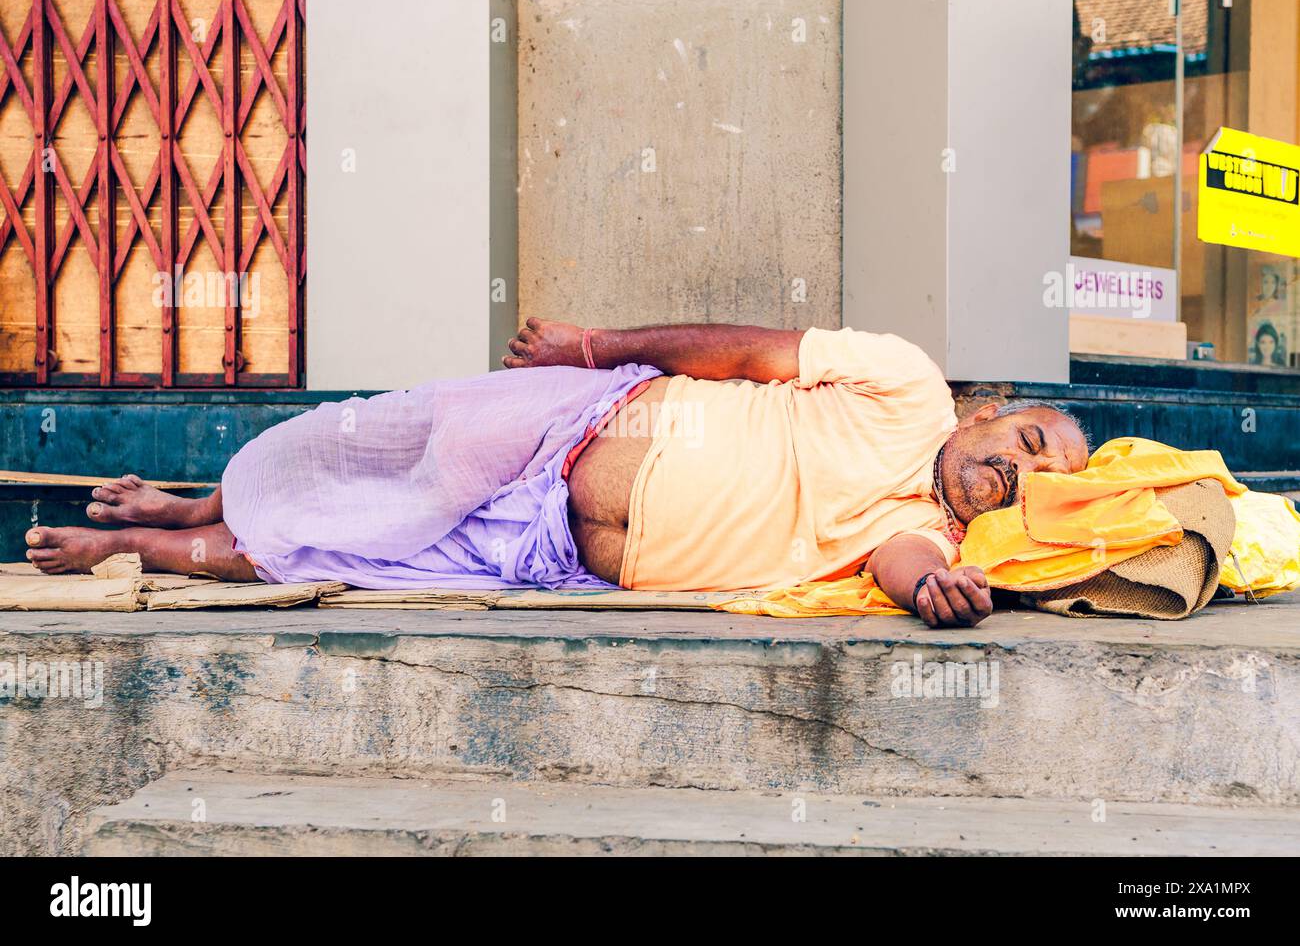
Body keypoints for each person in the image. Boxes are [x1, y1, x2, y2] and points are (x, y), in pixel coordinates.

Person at [24, 320, 1088, 627]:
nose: (1018, 469)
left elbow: (899, 562)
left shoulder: (935, 530)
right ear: (991, 413)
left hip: (548, 554)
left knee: (329, 548)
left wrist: (932, 594)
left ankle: (130, 539)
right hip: (567, 426)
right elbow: (742, 349)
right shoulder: (905, 383)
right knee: (360, 445)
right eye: (1030, 440)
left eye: (1042, 480)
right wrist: (590, 348)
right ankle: (195, 495)